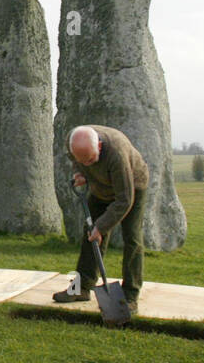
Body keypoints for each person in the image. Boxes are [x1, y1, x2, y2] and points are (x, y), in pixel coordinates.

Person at [53, 125, 149, 312]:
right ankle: (81, 288)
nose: (88, 164)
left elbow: (124, 200)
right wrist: (79, 173)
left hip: (131, 187)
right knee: (90, 234)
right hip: (100, 187)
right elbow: (77, 161)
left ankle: (130, 296)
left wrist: (102, 227)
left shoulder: (116, 154)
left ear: (99, 145)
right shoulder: (73, 143)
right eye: (83, 161)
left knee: (132, 238)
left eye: (91, 159)